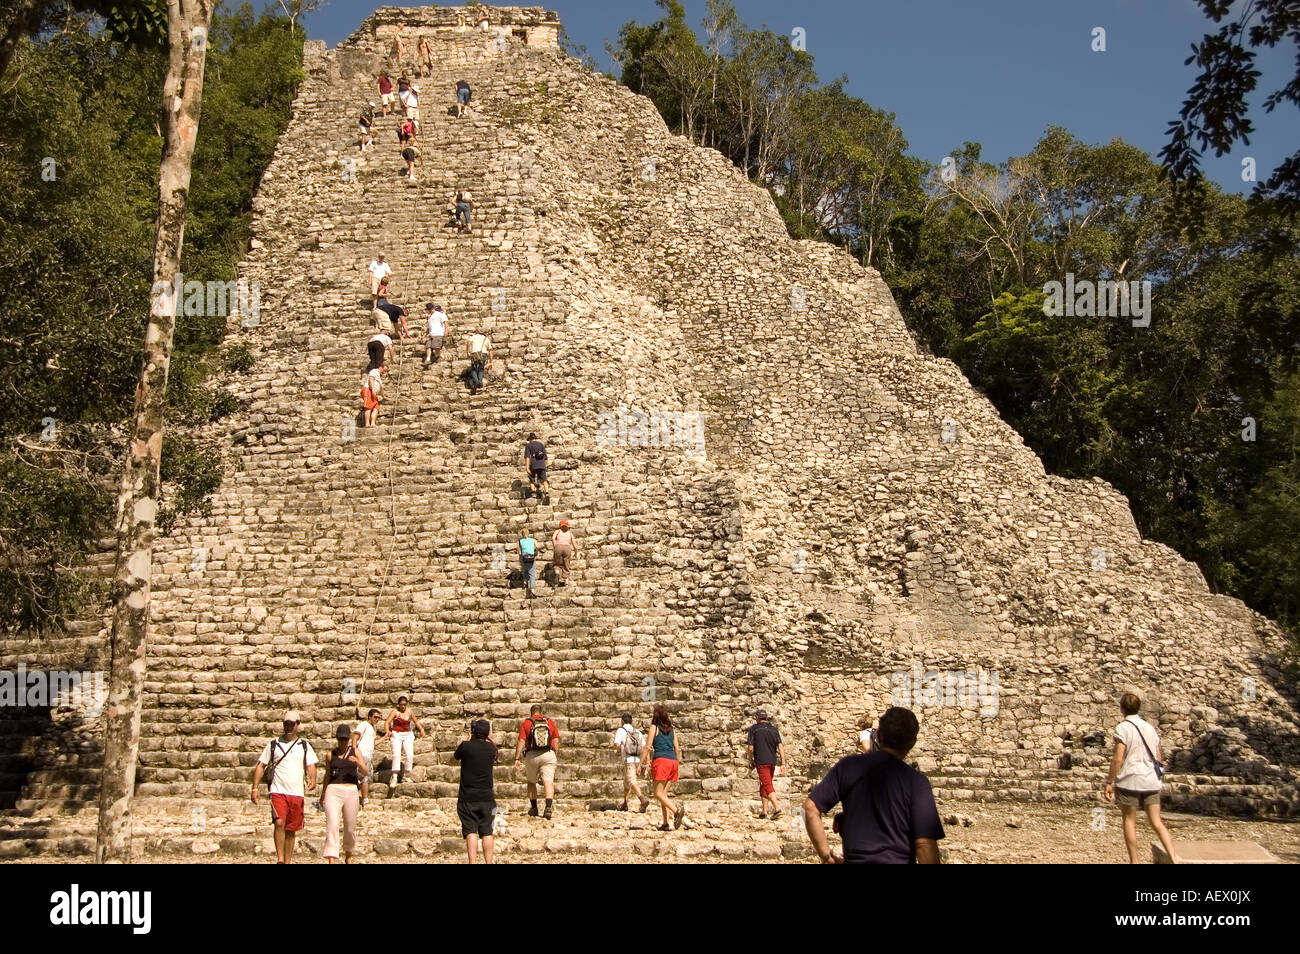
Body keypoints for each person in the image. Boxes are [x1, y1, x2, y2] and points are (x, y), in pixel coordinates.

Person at [803, 706, 945, 864]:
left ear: (879, 736)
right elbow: (924, 844)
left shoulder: (848, 766)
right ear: (912, 742)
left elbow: (810, 808)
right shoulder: (917, 782)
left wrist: (826, 856)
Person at [1104, 692, 1178, 864]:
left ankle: (1134, 862)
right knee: (1156, 822)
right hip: (1151, 780)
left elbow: (1118, 758)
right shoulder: (1149, 728)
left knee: (1129, 821)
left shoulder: (1123, 728)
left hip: (1130, 779)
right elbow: (1158, 757)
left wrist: (1109, 782)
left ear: (1122, 709)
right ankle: (1174, 859)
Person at [250, 711, 318, 864]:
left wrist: (312, 779)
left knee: (291, 829)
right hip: (278, 790)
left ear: (297, 725)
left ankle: (287, 861)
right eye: (286, 724)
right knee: (279, 822)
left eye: (291, 724)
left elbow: (311, 764)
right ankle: (280, 859)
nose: (288, 727)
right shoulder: (274, 744)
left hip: (296, 792)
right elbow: (261, 765)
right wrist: (255, 788)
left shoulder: (304, 745)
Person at [455, 719, 498, 863]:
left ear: (473, 731)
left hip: (467, 796)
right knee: (487, 832)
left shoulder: (465, 746)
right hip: (487, 796)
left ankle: (472, 862)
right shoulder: (492, 749)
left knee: (470, 831)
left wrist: (468, 739)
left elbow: (454, 758)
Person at [321, 724, 365, 864]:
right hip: (333, 790)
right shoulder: (330, 755)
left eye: (345, 739)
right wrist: (322, 794)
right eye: (341, 739)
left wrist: (358, 763)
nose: (343, 742)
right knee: (332, 824)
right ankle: (332, 858)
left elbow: (365, 772)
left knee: (350, 826)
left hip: (351, 790)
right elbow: (327, 775)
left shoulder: (355, 752)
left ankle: (348, 853)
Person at [641, 704, 683, 831]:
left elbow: (648, 747)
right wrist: (677, 764)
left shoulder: (654, 727)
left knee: (658, 793)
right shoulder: (672, 730)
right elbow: (677, 748)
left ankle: (676, 811)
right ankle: (665, 823)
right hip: (673, 762)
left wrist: (641, 763)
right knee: (663, 794)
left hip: (661, 761)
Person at [514, 704, 559, 818]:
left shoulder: (527, 723)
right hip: (548, 754)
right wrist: (555, 756)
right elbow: (556, 740)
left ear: (531, 712)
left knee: (531, 782)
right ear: (541, 712)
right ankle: (548, 808)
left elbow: (521, 741)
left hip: (532, 755)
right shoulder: (549, 722)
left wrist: (517, 758)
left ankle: (534, 808)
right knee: (548, 782)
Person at [746, 709, 785, 819]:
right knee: (764, 784)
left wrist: (750, 760)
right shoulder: (773, 729)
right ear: (766, 718)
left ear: (757, 718)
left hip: (761, 760)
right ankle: (764, 811)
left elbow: (750, 748)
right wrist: (783, 762)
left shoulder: (754, 729)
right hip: (772, 761)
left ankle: (777, 809)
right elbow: (780, 746)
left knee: (767, 785)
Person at [385, 696, 426, 792]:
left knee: (409, 755)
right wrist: (387, 731)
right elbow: (387, 722)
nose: (403, 706)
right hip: (397, 734)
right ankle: (394, 776)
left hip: (407, 734)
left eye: (404, 704)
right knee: (396, 755)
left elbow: (416, 721)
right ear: (398, 704)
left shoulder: (409, 711)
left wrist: (422, 729)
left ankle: (406, 775)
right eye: (401, 705)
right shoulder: (395, 712)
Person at [613, 712, 649, 813]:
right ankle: (625, 803)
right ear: (631, 721)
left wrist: (620, 750)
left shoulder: (621, 730)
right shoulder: (637, 731)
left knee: (632, 781)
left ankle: (642, 800)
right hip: (637, 759)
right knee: (626, 781)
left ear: (622, 721)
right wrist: (647, 761)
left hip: (628, 760)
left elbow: (617, 744)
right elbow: (645, 746)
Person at [353, 708, 384, 805]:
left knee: (366, 777)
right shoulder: (364, 725)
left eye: (378, 718)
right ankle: (364, 799)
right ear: (369, 716)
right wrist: (354, 750)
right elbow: (355, 736)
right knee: (363, 777)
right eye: (375, 717)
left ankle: (363, 798)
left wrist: (385, 737)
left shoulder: (373, 728)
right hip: (362, 754)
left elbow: (373, 743)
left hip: (368, 755)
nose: (377, 719)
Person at [524, 433, 549, 500]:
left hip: (533, 465)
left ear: (529, 439)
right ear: (535, 438)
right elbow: (546, 457)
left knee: (531, 479)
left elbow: (527, 457)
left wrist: (527, 467)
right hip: (541, 465)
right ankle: (546, 492)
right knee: (544, 479)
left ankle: (533, 492)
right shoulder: (541, 445)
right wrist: (545, 465)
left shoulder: (528, 445)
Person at [361, 359, 385, 429]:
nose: (384, 372)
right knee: (368, 406)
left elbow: (380, 389)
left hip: (374, 393)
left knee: (376, 408)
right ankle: (367, 424)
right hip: (369, 390)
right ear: (381, 367)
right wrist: (373, 389)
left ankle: (373, 423)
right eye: (384, 370)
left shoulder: (379, 376)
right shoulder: (374, 371)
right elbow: (371, 379)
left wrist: (384, 396)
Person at [551, 520, 575, 586]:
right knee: (566, 563)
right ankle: (566, 580)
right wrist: (576, 552)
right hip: (567, 547)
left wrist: (555, 545)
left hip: (558, 546)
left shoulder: (557, 531)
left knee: (557, 562)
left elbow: (553, 538)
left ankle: (557, 571)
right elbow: (574, 544)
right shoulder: (569, 533)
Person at [518, 531, 538, 598]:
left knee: (525, 569)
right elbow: (537, 546)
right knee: (532, 574)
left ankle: (525, 581)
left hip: (524, 558)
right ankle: (532, 591)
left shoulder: (519, 541)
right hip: (531, 557)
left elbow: (519, 552)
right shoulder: (532, 540)